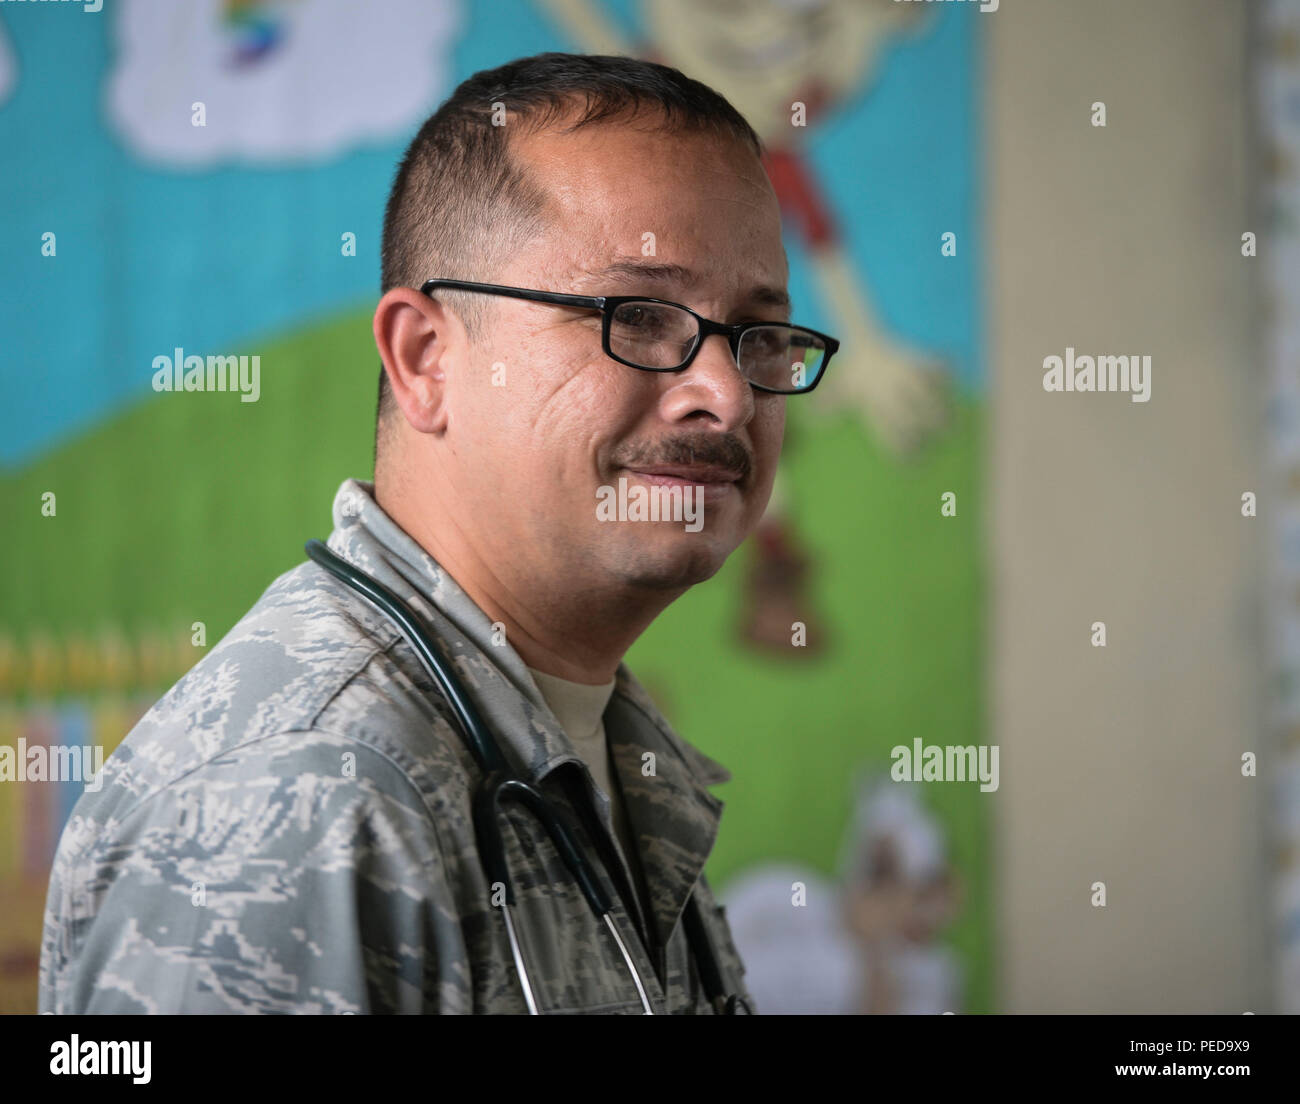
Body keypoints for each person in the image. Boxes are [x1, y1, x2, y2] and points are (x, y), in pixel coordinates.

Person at [38, 51, 837, 1014]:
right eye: (640, 316)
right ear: (426, 359)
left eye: (760, 336)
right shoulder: (300, 800)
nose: (725, 394)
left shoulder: (603, 754)